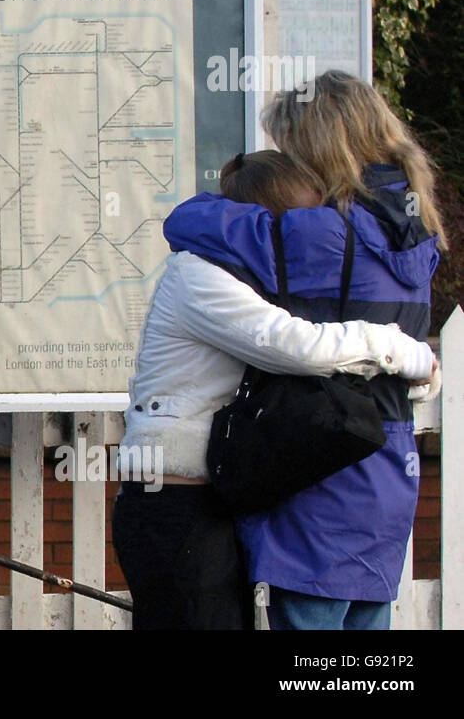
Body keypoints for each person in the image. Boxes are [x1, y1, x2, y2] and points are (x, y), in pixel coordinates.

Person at [163, 71, 445, 630]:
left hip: (323, 464)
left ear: (321, 145)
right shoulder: (421, 235)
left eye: (292, 149)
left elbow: (186, 222)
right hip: (389, 463)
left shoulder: (323, 234)